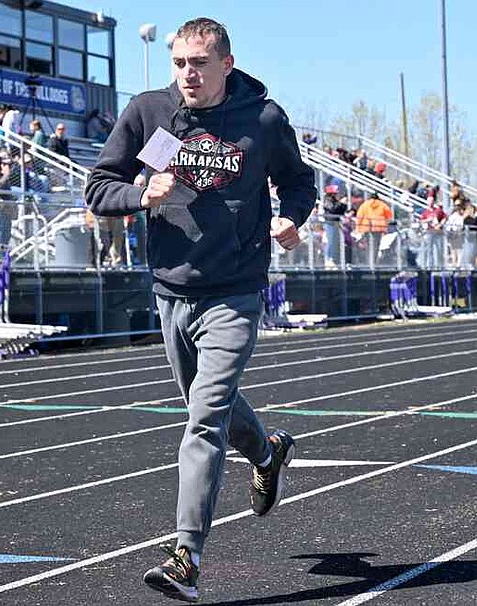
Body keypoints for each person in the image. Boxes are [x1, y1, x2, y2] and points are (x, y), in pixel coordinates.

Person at [84, 18, 315, 602]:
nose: (189, 74)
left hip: (235, 288)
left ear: (226, 65)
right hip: (171, 289)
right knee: (208, 402)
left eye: (200, 64)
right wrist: (141, 195)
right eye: (180, 63)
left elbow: (299, 182)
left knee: (203, 418)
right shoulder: (147, 112)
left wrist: (292, 217)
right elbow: (97, 187)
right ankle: (268, 451)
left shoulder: (261, 119)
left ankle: (185, 555)